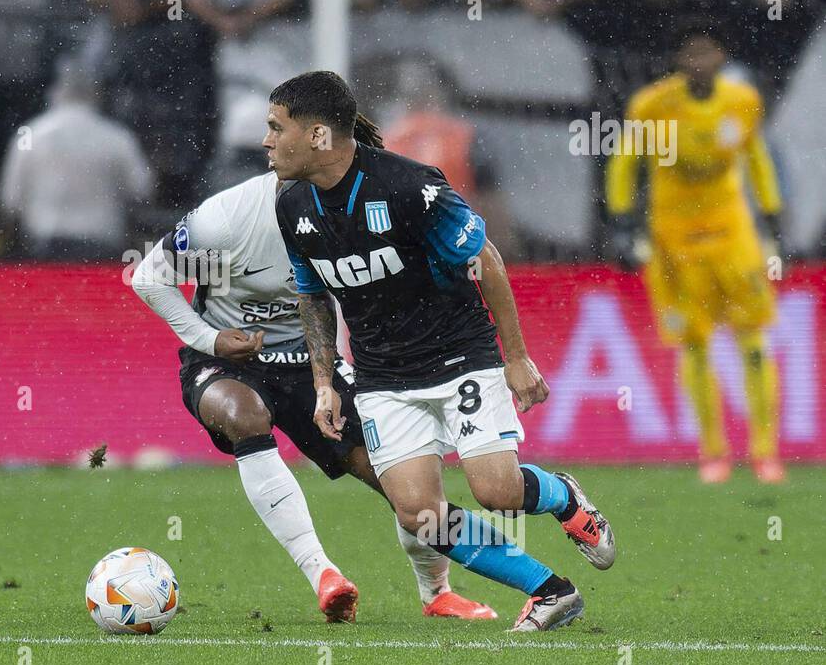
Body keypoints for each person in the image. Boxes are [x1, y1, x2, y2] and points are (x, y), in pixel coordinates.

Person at [269, 71, 616, 632]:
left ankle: (563, 498)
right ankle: (550, 591)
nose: (266, 141)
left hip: (461, 357)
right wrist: (326, 382)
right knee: (419, 514)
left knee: (497, 492)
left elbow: (489, 262)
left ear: (315, 135)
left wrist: (517, 357)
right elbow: (312, 295)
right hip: (381, 376)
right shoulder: (292, 208)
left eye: (275, 127)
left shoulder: (410, 187)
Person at [130, 171, 498, 623]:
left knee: (400, 480)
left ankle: (437, 592)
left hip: (313, 362)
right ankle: (322, 573)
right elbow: (149, 277)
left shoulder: (357, 212)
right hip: (229, 362)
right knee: (244, 414)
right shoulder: (224, 221)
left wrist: (345, 374)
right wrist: (209, 339)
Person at [606, 32, 784, 484]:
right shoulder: (654, 105)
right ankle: (714, 453)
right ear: (678, 58)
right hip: (675, 242)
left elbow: (756, 156)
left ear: (722, 55)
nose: (700, 60)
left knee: (753, 339)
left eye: (708, 51)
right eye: (691, 52)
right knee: (696, 344)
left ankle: (764, 452)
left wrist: (772, 216)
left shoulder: (742, 101)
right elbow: (626, 161)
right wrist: (623, 223)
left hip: (733, 235)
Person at [0, 64, 151, 260]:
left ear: (54, 92)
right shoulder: (117, 138)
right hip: (101, 243)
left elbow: (10, 200)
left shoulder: (30, 136)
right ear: (97, 94)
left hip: (45, 244)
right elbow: (141, 190)